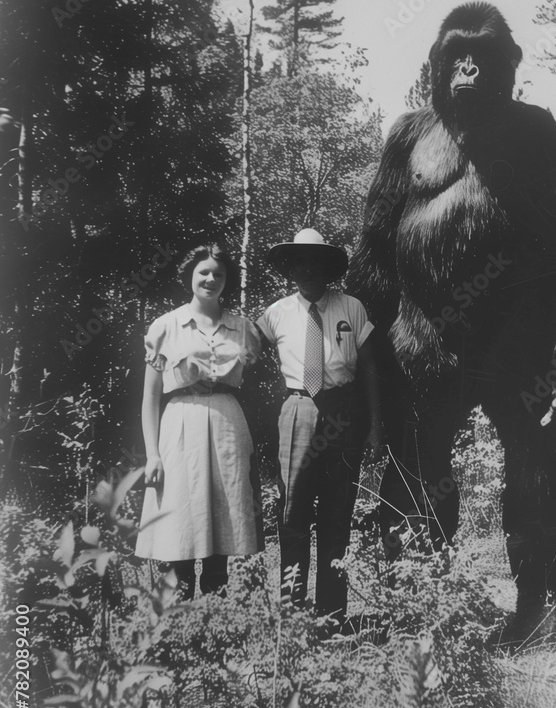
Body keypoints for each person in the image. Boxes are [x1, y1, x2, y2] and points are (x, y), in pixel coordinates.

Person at [256, 228, 382, 625]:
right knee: (292, 512)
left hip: (343, 411)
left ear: (329, 268)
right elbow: (242, 362)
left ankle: (333, 616)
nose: (308, 268)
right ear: (291, 268)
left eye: (317, 261)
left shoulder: (352, 307)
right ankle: (291, 619)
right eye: (300, 261)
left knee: (337, 511)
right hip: (297, 409)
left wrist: (376, 426)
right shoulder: (275, 313)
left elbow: (371, 370)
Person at [136, 245, 263, 597]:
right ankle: (176, 614)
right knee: (180, 517)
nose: (210, 279)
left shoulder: (242, 328)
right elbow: (150, 397)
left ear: (227, 281)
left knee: (223, 516)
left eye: (218, 274)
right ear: (189, 276)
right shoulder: (166, 326)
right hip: (180, 423)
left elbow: (252, 386)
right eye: (203, 272)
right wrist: (152, 454)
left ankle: (214, 609)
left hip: (226, 425)